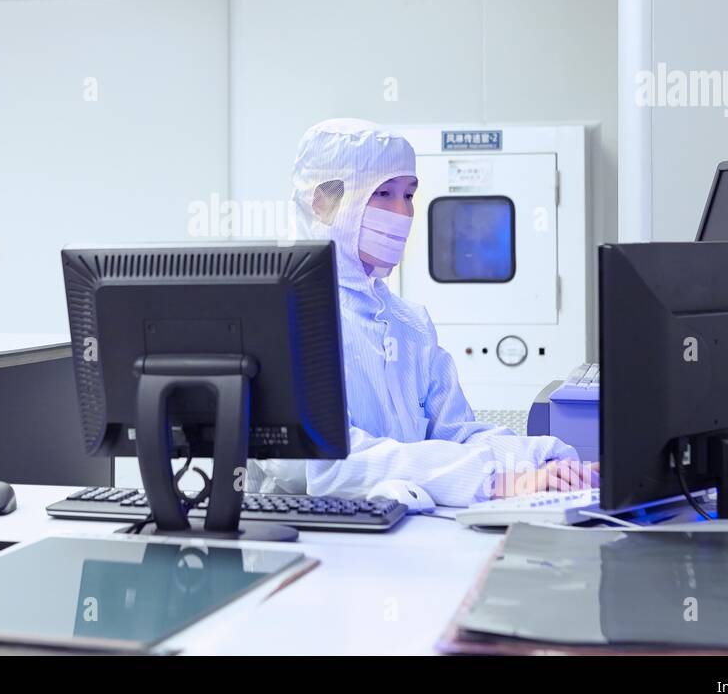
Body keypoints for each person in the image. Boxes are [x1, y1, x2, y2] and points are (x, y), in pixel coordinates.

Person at [249, 118, 594, 506]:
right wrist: (494, 480)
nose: (402, 212)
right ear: (323, 204)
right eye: (382, 194)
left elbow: (457, 432)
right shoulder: (288, 320)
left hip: (407, 537)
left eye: (409, 194)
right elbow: (329, 464)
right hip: (313, 541)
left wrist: (545, 459)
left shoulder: (409, 324)